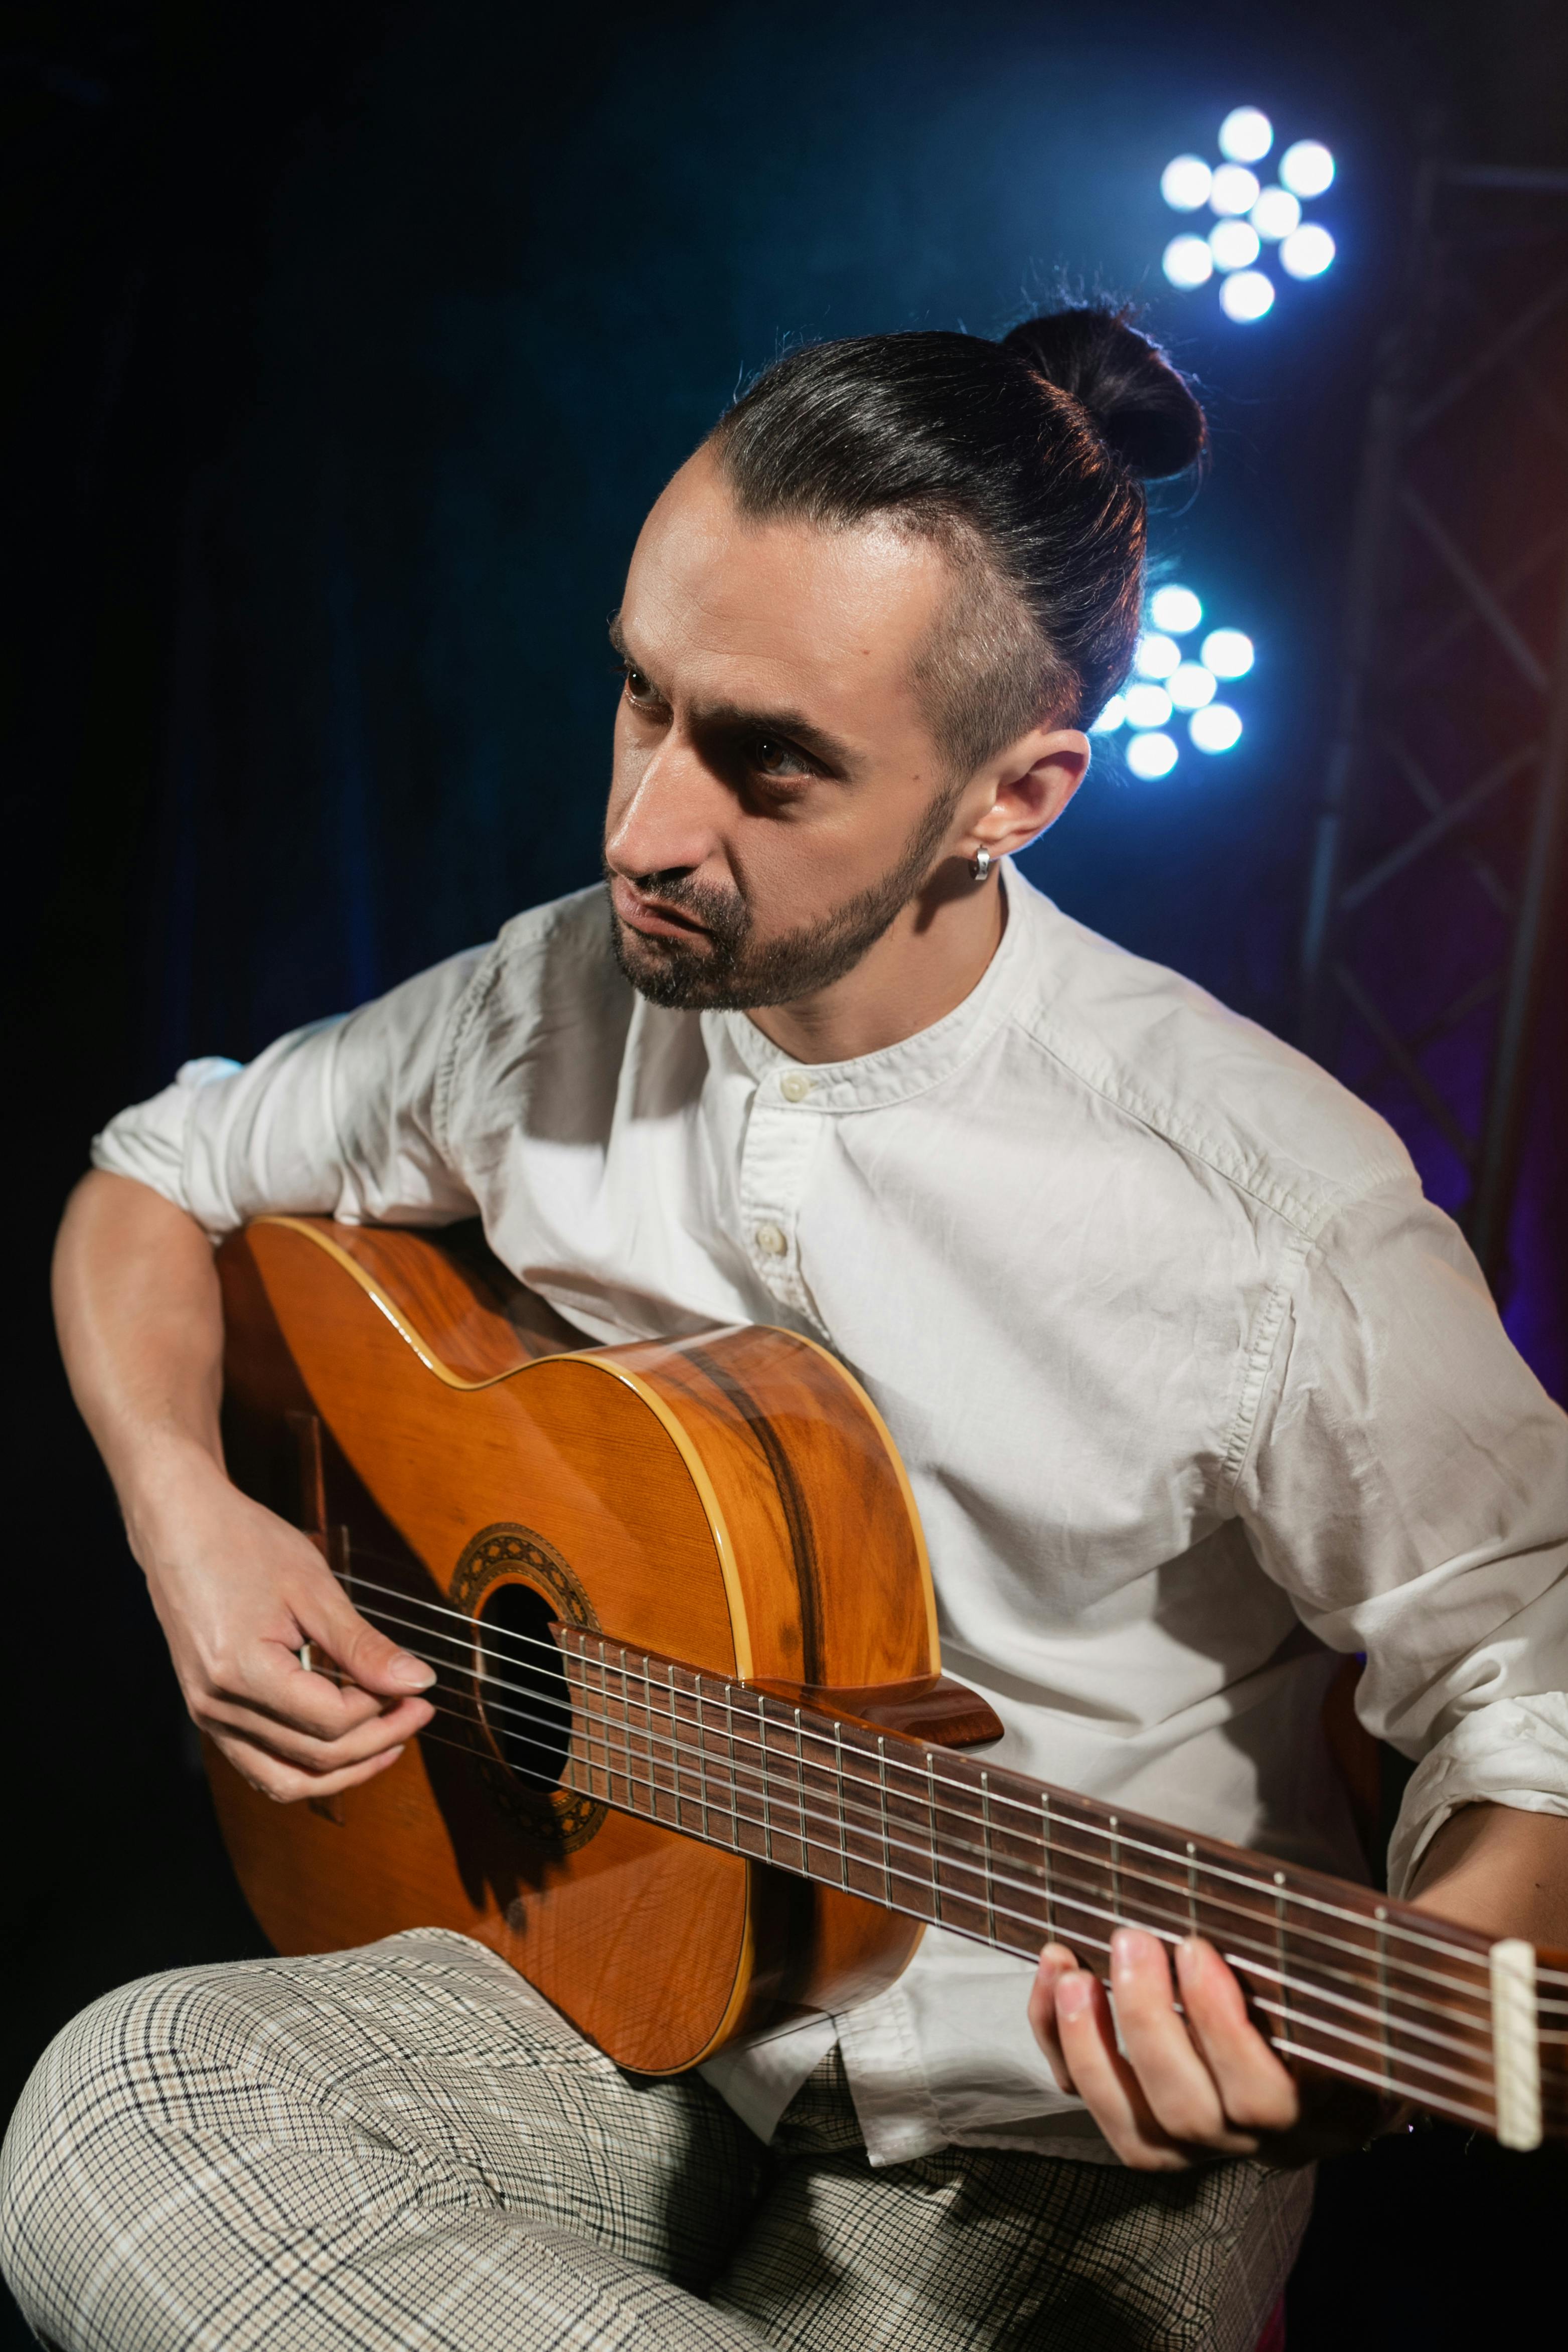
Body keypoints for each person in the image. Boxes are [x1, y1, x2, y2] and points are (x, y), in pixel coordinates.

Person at [4, 306, 1567, 2352]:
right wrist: (184, 1515)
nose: (640, 829)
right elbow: (159, 1176)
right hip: (612, 2011)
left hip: (1058, 2136)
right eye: (638, 702)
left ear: (1010, 794)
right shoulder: (549, 999)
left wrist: (1364, 2027)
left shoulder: (1263, 1208)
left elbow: (1529, 1672)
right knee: (114, 2116)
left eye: (765, 764)